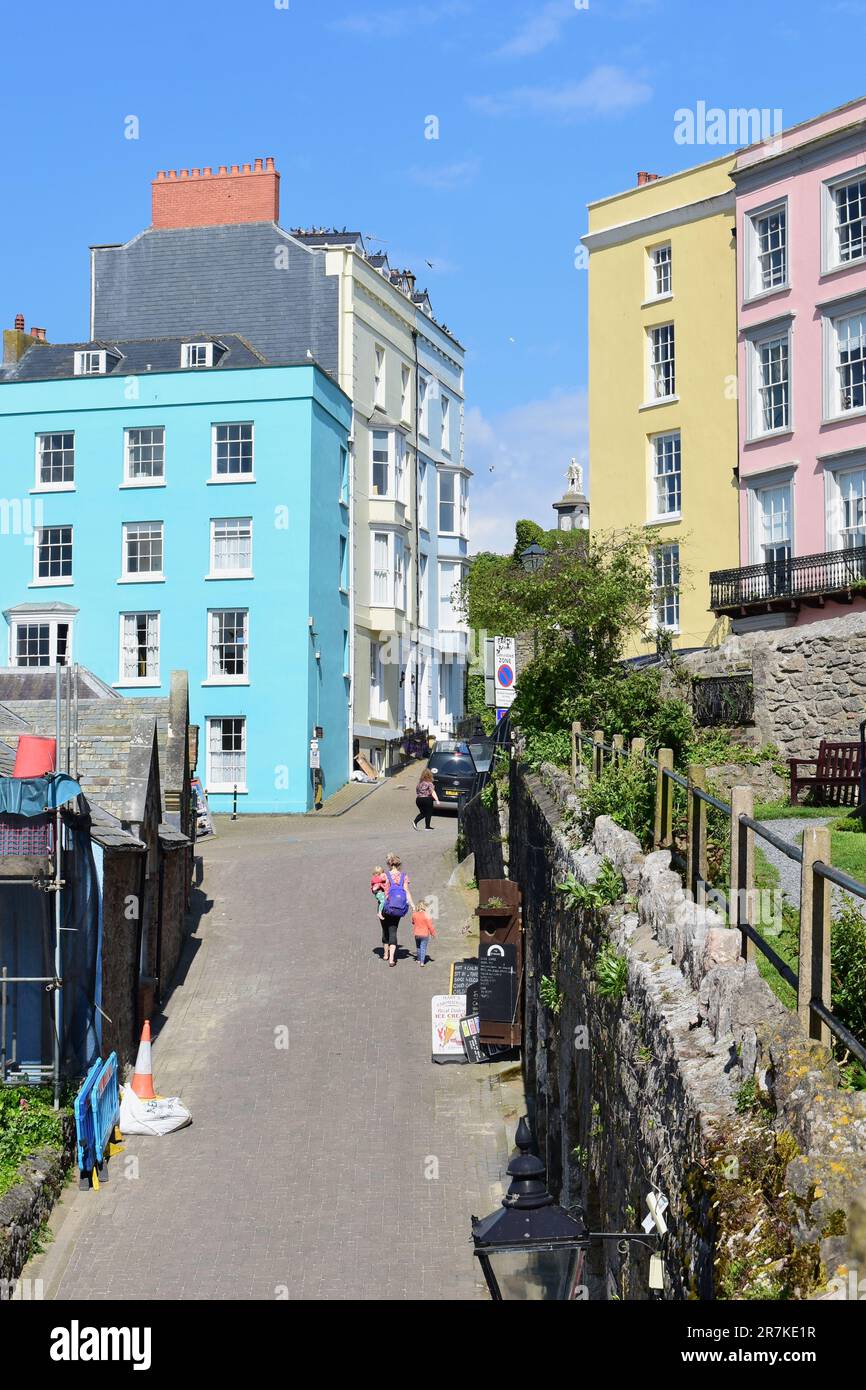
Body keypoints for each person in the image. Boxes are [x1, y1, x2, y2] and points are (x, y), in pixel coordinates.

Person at [380, 853, 415, 966]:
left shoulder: (385, 876)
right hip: (397, 908)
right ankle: (391, 959)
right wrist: (413, 906)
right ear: (398, 864)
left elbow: (377, 889)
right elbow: (407, 892)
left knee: (385, 929)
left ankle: (385, 954)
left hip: (386, 906)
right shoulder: (404, 876)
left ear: (389, 864)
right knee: (393, 931)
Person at [411, 899, 436, 966]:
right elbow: (430, 926)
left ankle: (418, 960)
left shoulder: (414, 914)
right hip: (424, 934)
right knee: (423, 948)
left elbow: (413, 922)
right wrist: (433, 933)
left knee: (418, 947)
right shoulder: (427, 915)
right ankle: (422, 962)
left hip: (417, 934)